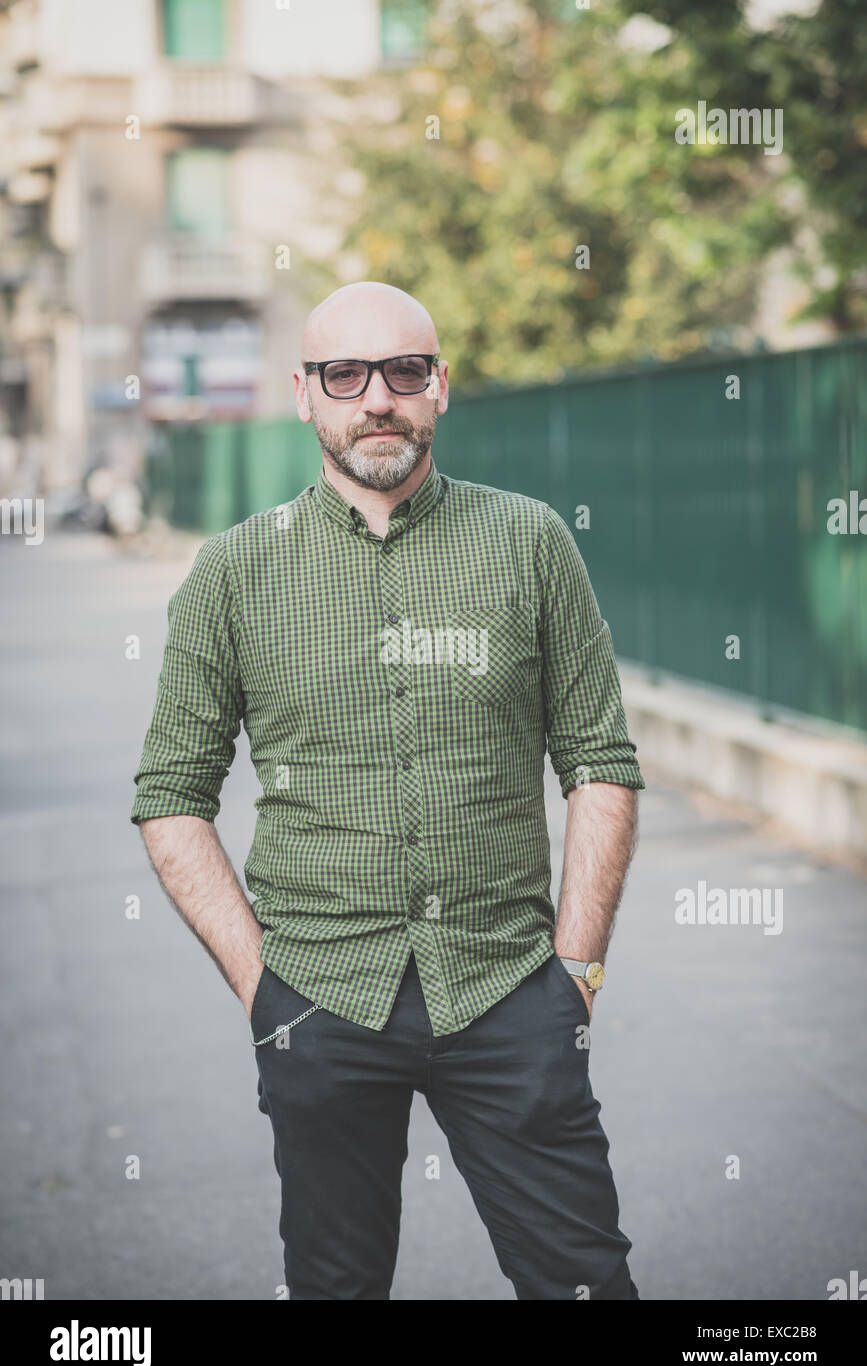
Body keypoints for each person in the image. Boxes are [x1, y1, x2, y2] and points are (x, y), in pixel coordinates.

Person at [131, 281, 645, 1301]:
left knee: (583, 1278)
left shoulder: (530, 541)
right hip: (319, 998)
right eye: (346, 374)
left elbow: (599, 758)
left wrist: (577, 968)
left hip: (509, 991)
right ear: (306, 393)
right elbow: (171, 794)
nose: (378, 398)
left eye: (405, 371)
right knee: (337, 1283)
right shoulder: (234, 572)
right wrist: (259, 982)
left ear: (440, 387)